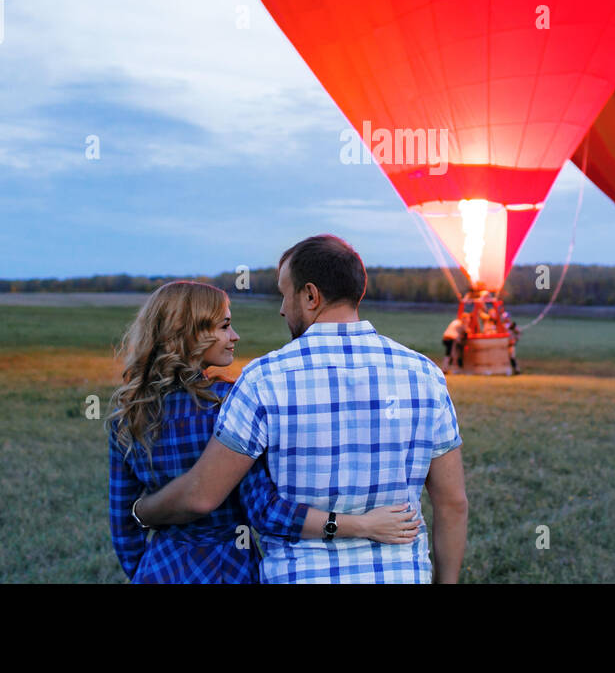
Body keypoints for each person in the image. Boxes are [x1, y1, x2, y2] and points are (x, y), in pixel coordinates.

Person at [134, 235, 468, 583]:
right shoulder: (425, 375)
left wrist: (142, 511)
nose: (282, 308)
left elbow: (201, 495)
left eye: (284, 294)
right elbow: (452, 503)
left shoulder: (264, 378)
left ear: (310, 296)